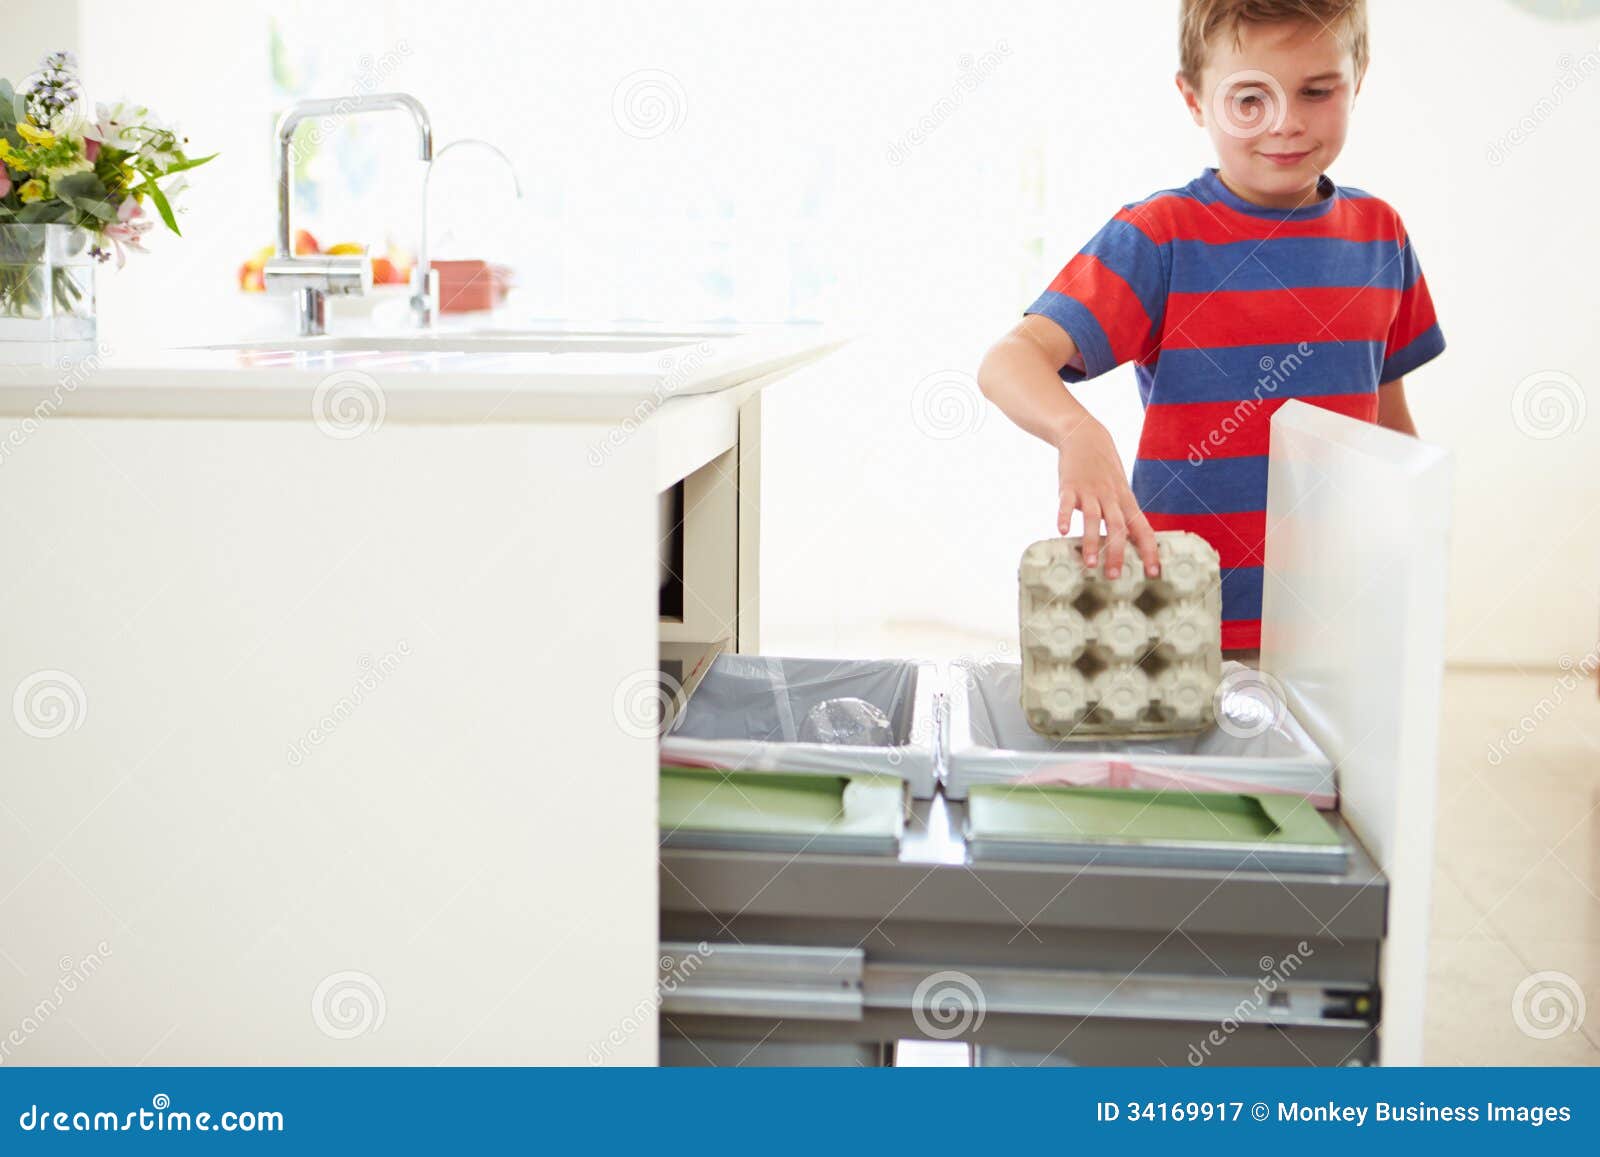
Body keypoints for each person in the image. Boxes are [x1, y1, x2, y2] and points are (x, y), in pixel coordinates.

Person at [977, 0, 1444, 666]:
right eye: (1249, 99)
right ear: (1194, 99)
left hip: (1335, 623)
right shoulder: (1160, 237)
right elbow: (1009, 360)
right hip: (1182, 624)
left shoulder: (1381, 235)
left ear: (1357, 80)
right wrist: (1076, 431)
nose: (1285, 122)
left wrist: (1415, 531)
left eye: (1317, 91)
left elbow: (1387, 420)